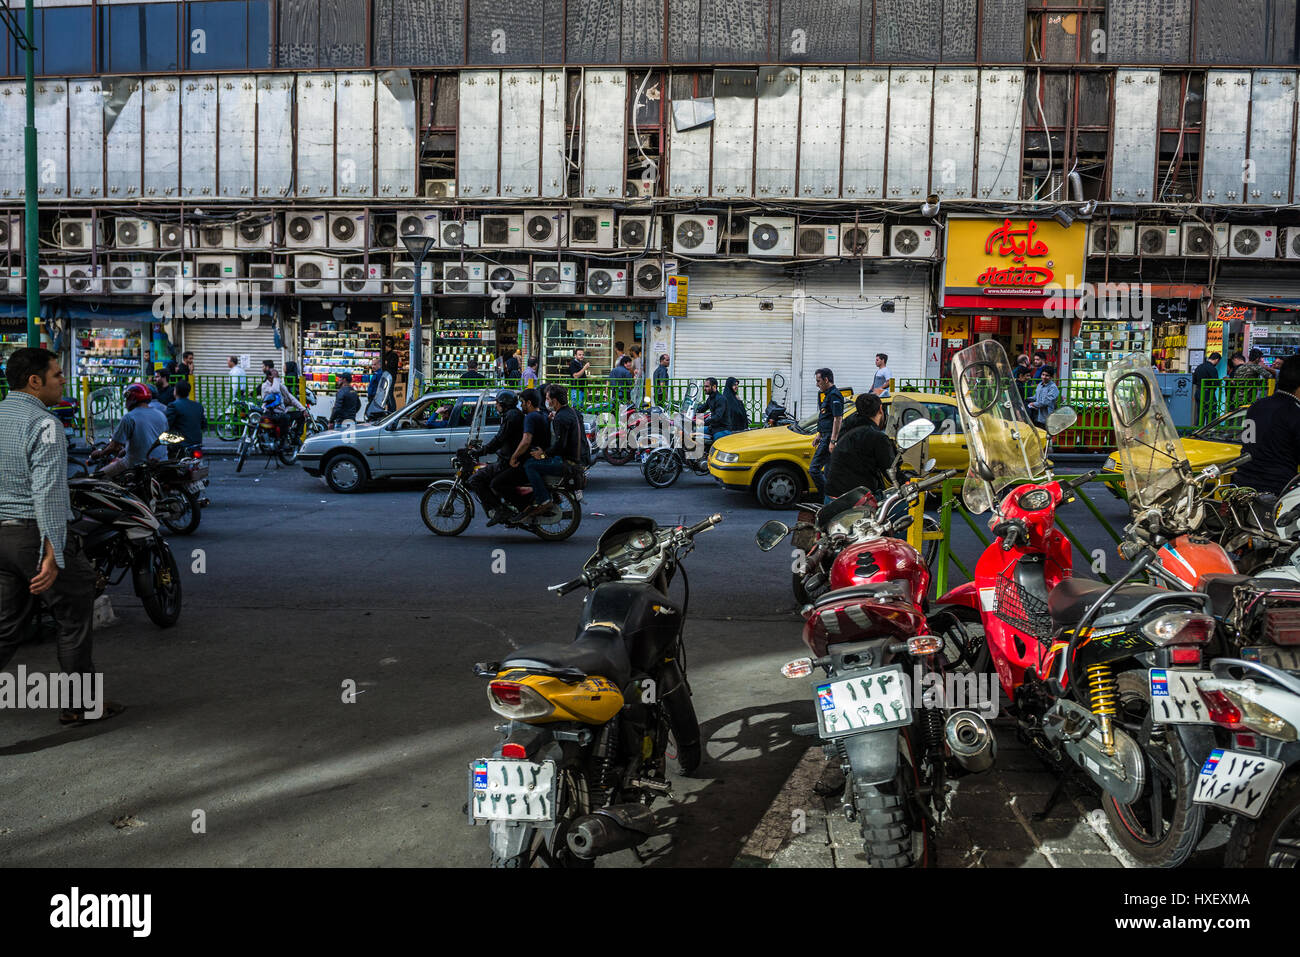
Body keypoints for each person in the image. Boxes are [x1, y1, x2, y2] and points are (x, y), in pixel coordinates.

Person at [0, 348, 122, 727]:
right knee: (72, 617)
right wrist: (53, 554)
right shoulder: (46, 425)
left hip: (2, 540)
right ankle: (80, 704)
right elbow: (49, 493)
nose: (63, 380)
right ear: (34, 381)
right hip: (35, 535)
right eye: (57, 375)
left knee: (5, 626)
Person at [1234, 355, 1300, 497]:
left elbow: (1248, 443)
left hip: (1243, 485)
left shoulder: (1257, 405)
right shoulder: (1294, 411)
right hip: (1277, 490)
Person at [521, 384, 582, 520]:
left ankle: (544, 500)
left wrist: (543, 454)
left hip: (566, 462)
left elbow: (560, 445)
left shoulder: (561, 418)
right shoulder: (569, 412)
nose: (546, 401)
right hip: (572, 459)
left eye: (548, 399)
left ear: (554, 401)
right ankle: (553, 497)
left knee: (529, 465)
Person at [493, 388, 552, 525]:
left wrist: (514, 457)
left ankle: (523, 508)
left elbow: (526, 441)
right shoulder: (543, 414)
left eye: (522, 402)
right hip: (539, 458)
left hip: (529, 461)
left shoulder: (530, 418)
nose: (521, 406)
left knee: (497, 483)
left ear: (529, 403)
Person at [469, 390, 525, 525]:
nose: (496, 406)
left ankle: (499, 509)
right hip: (507, 459)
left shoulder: (511, 417)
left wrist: (481, 451)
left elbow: (499, 439)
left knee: (475, 479)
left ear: (503, 404)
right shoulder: (512, 415)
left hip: (508, 461)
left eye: (497, 403)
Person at [91, 383, 168, 477]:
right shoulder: (161, 415)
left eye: (127, 398)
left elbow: (114, 447)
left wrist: (100, 453)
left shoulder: (129, 417)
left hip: (136, 464)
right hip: (162, 463)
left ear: (133, 399)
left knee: (98, 477)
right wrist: (126, 449)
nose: (126, 402)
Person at [826, 394, 893, 498]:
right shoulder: (877, 436)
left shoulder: (847, 427)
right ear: (880, 409)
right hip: (857, 500)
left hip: (832, 496)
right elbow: (890, 473)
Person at [810, 368, 844, 498]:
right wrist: (819, 434)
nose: (817, 384)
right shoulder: (828, 395)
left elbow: (838, 418)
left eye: (818, 381)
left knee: (814, 469)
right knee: (828, 473)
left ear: (826, 379)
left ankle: (827, 498)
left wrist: (833, 441)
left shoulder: (834, 395)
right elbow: (826, 417)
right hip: (825, 435)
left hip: (830, 437)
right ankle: (830, 499)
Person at [262, 363, 307, 437]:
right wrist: (275, 379)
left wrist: (303, 409)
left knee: (300, 416)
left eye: (278, 376)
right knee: (285, 418)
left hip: (282, 412)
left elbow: (290, 397)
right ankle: (283, 438)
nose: (278, 378)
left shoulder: (279, 385)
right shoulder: (265, 386)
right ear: (270, 376)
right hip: (271, 413)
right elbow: (275, 390)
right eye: (276, 376)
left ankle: (296, 437)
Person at [165, 380, 206, 452]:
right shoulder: (198, 405)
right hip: (197, 443)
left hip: (180, 444)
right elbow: (204, 424)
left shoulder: (173, 405)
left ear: (175, 391)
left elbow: (166, 424)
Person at [1192, 351, 1221, 425]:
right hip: (1208, 393)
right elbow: (1216, 382)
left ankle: (1197, 431)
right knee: (1211, 414)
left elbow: (1194, 380)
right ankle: (1209, 431)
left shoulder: (1199, 367)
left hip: (1198, 391)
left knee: (1200, 413)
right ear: (1217, 360)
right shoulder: (1212, 368)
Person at [366, 355, 395, 420]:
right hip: (373, 398)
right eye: (372, 364)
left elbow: (380, 388)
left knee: (372, 414)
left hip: (375, 398)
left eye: (375, 364)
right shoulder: (376, 373)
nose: (373, 366)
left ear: (379, 365)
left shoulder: (379, 374)